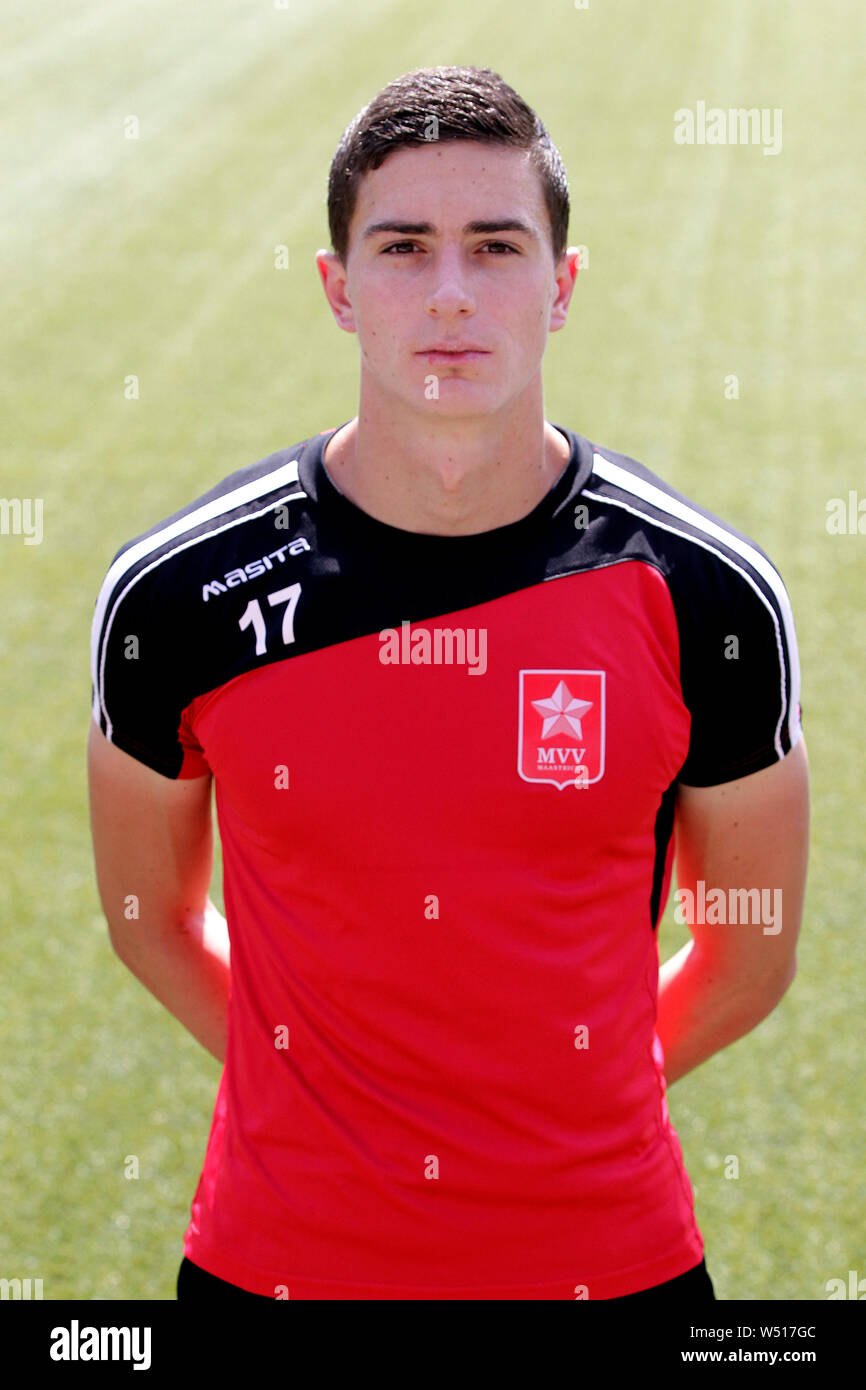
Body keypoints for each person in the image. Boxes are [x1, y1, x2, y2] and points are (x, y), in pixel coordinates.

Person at [87, 65, 809, 1301]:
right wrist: (315, 1090)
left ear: (562, 285)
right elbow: (148, 916)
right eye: (404, 248)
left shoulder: (705, 594)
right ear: (338, 289)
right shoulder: (177, 596)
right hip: (279, 1268)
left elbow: (748, 952)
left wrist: (569, 1093)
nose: (451, 295)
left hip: (613, 1266)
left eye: (496, 246)